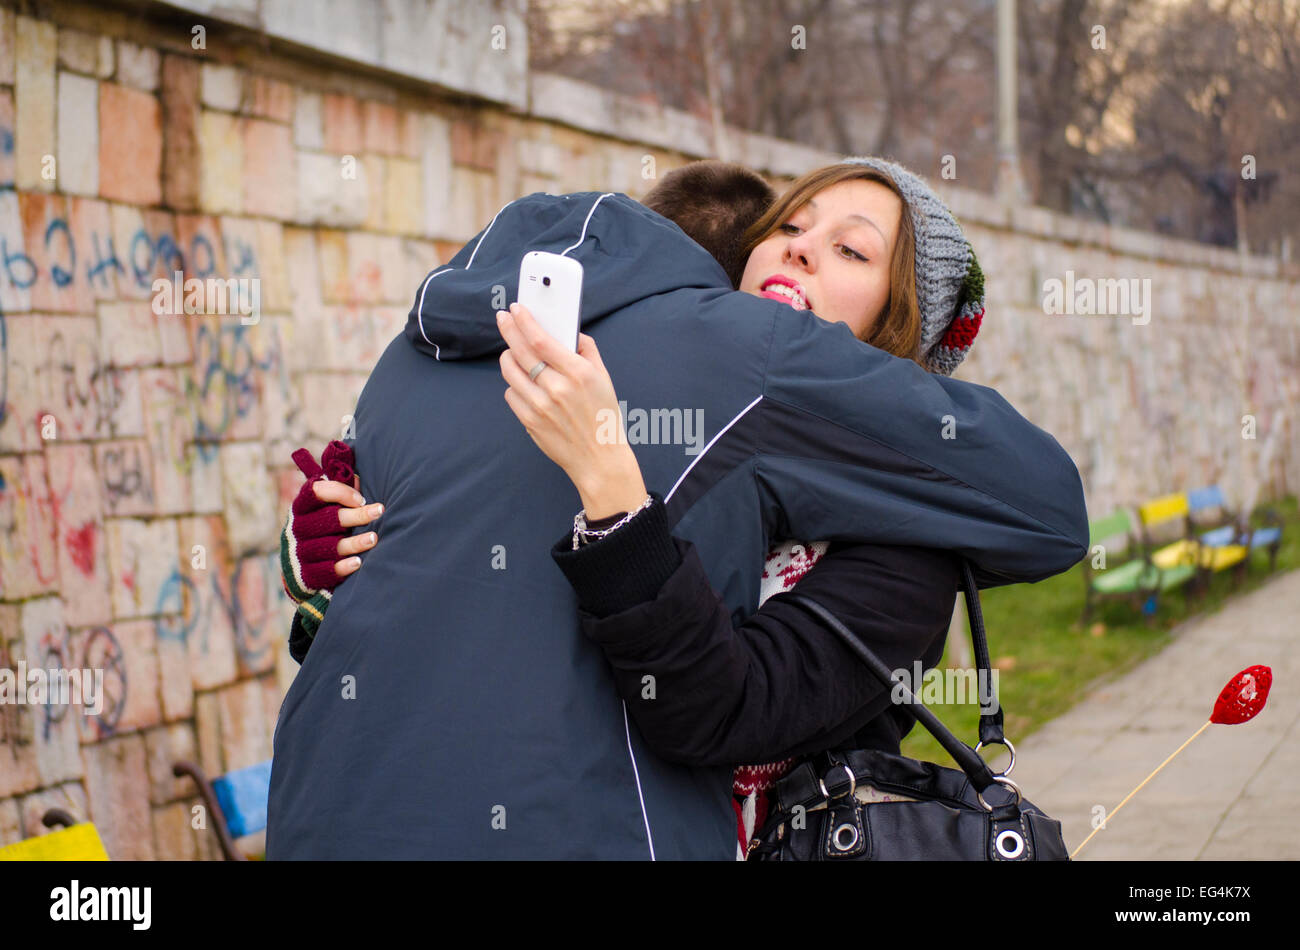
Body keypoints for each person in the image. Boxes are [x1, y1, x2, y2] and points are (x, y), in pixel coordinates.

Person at [265, 161, 1087, 860]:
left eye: (850, 249)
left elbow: (722, 709)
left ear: (900, 339)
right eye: (790, 225)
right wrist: (320, 568)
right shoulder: (657, 386)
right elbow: (441, 624)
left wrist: (618, 503)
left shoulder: (903, 554)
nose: (800, 245)